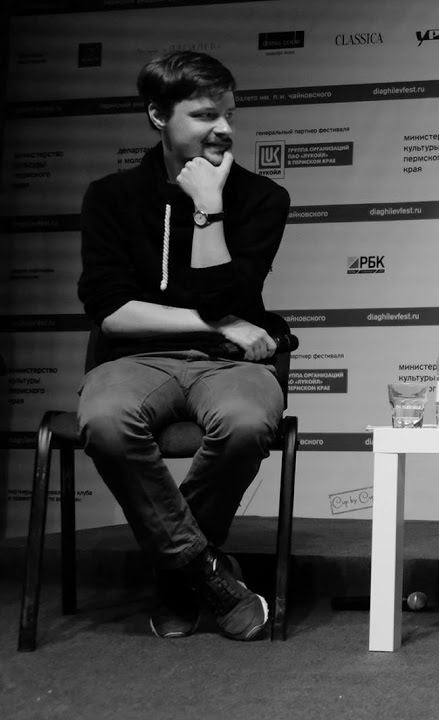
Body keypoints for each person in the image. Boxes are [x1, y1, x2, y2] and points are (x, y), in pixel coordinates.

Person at [77, 51, 290, 641]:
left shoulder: (263, 198)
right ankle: (206, 572)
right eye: (203, 115)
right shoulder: (111, 197)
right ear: (157, 115)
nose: (223, 129)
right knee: (106, 421)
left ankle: (177, 576)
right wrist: (218, 325)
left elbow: (229, 296)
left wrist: (208, 208)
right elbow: (111, 312)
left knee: (246, 422)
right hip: (137, 360)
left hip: (229, 366)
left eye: (228, 114)